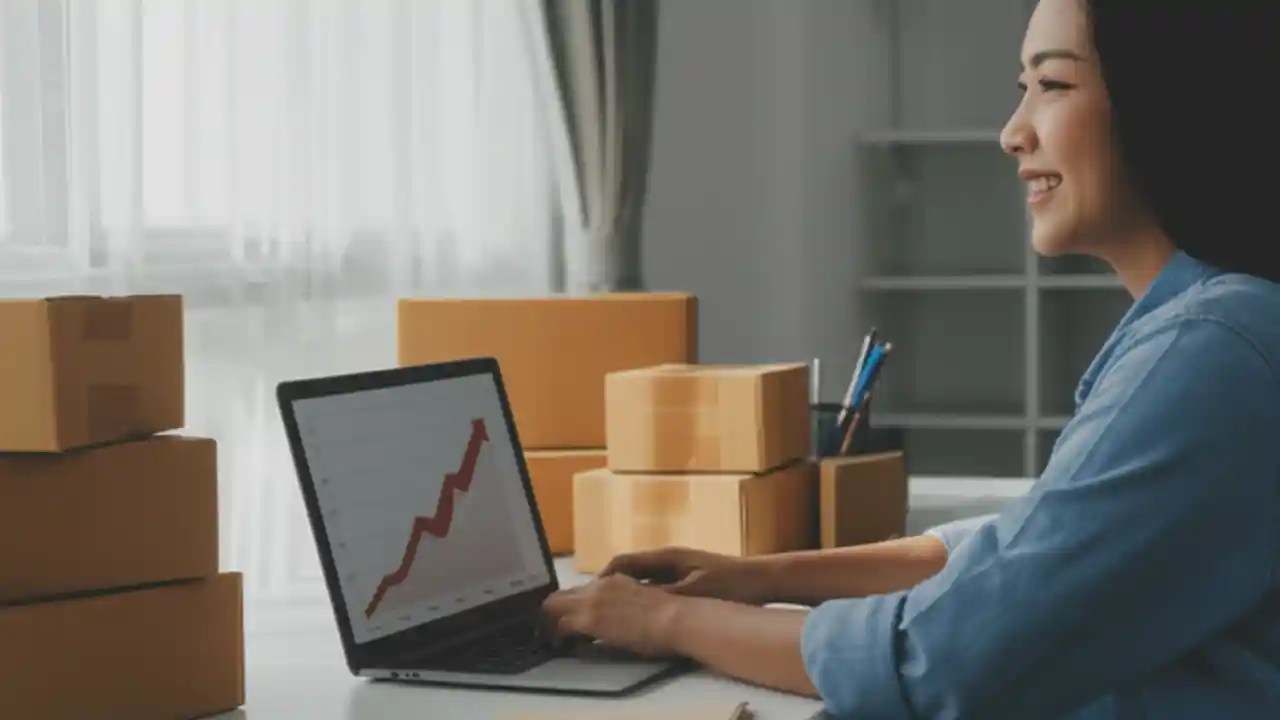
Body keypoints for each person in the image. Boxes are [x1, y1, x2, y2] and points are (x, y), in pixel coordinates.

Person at [541, 0, 1280, 716]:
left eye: (1053, 83)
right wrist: (754, 578)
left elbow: (937, 659)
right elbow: (1024, 550)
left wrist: (665, 621)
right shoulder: (1225, 323)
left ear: (1168, 100)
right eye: (1022, 87)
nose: (1013, 132)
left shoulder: (1211, 349)